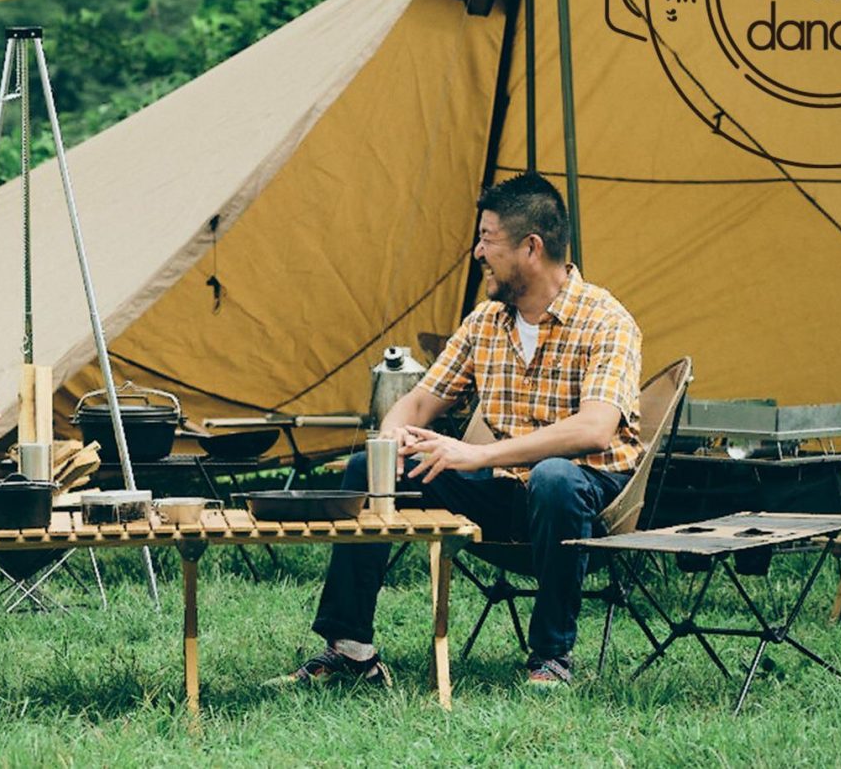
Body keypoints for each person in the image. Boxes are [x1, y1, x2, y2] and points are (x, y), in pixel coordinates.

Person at [271, 172, 642, 690]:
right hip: (505, 488)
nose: (476, 252)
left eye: (488, 239)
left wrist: (476, 455)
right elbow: (419, 402)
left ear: (531, 247)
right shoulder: (486, 322)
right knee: (368, 467)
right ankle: (350, 649)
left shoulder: (607, 320)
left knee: (555, 477)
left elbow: (595, 430)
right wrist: (394, 438)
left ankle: (552, 658)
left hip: (586, 497)